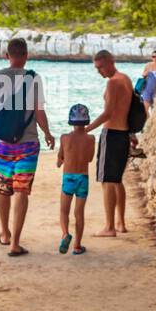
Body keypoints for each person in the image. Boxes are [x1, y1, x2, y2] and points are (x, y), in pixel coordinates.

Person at [0, 37, 54, 256]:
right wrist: (48, 133)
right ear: (26, 56)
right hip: (28, 144)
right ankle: (16, 244)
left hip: (1, 144)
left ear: (7, 56)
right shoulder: (34, 78)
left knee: (4, 188)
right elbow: (39, 111)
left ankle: (5, 234)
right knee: (21, 189)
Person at [83, 49, 132, 236]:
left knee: (107, 181)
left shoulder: (113, 82)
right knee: (117, 180)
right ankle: (120, 222)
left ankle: (109, 227)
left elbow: (108, 113)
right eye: (97, 68)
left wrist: (86, 129)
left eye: (100, 67)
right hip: (124, 134)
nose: (99, 71)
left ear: (110, 61)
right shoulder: (125, 78)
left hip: (111, 135)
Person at [56, 104, 94, 255]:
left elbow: (61, 157)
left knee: (64, 211)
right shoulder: (91, 139)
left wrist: (59, 161)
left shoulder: (65, 138)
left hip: (68, 178)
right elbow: (90, 159)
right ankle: (77, 246)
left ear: (70, 121)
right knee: (79, 213)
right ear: (86, 121)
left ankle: (65, 234)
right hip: (83, 178)